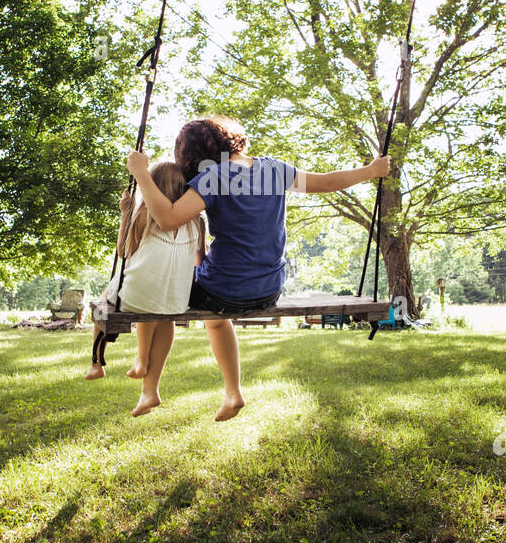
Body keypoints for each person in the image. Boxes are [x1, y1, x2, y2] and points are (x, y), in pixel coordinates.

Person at [127, 115, 390, 421]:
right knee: (215, 321)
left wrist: (142, 175)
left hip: (222, 291)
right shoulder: (275, 169)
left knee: (163, 299)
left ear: (193, 154)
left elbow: (169, 218)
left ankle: (150, 388)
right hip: (269, 290)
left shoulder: (213, 177)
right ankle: (232, 393)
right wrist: (371, 171)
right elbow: (327, 182)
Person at [85, 161, 205, 418]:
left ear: (153, 186)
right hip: (175, 301)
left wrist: (125, 213)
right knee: (163, 317)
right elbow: (199, 261)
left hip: (137, 296)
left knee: (103, 300)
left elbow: (123, 252)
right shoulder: (198, 223)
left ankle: (96, 364)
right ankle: (150, 391)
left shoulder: (144, 214)